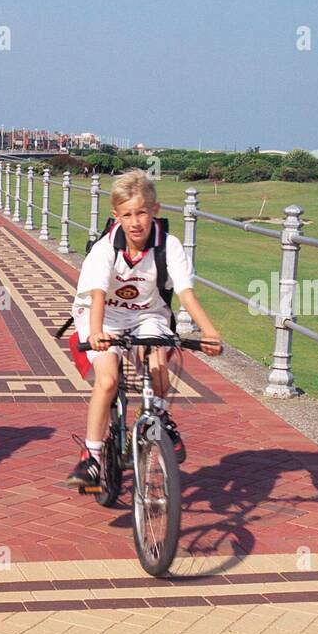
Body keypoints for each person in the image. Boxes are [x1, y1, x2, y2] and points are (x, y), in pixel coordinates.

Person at [66, 169, 223, 488]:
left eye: (142, 212)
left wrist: (209, 331)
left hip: (147, 315)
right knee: (108, 380)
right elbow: (97, 294)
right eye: (127, 214)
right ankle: (92, 457)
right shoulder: (106, 248)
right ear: (116, 216)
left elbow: (185, 293)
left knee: (157, 365)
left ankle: (160, 415)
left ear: (155, 210)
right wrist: (96, 333)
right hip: (103, 316)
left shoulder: (169, 246)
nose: (135, 221)